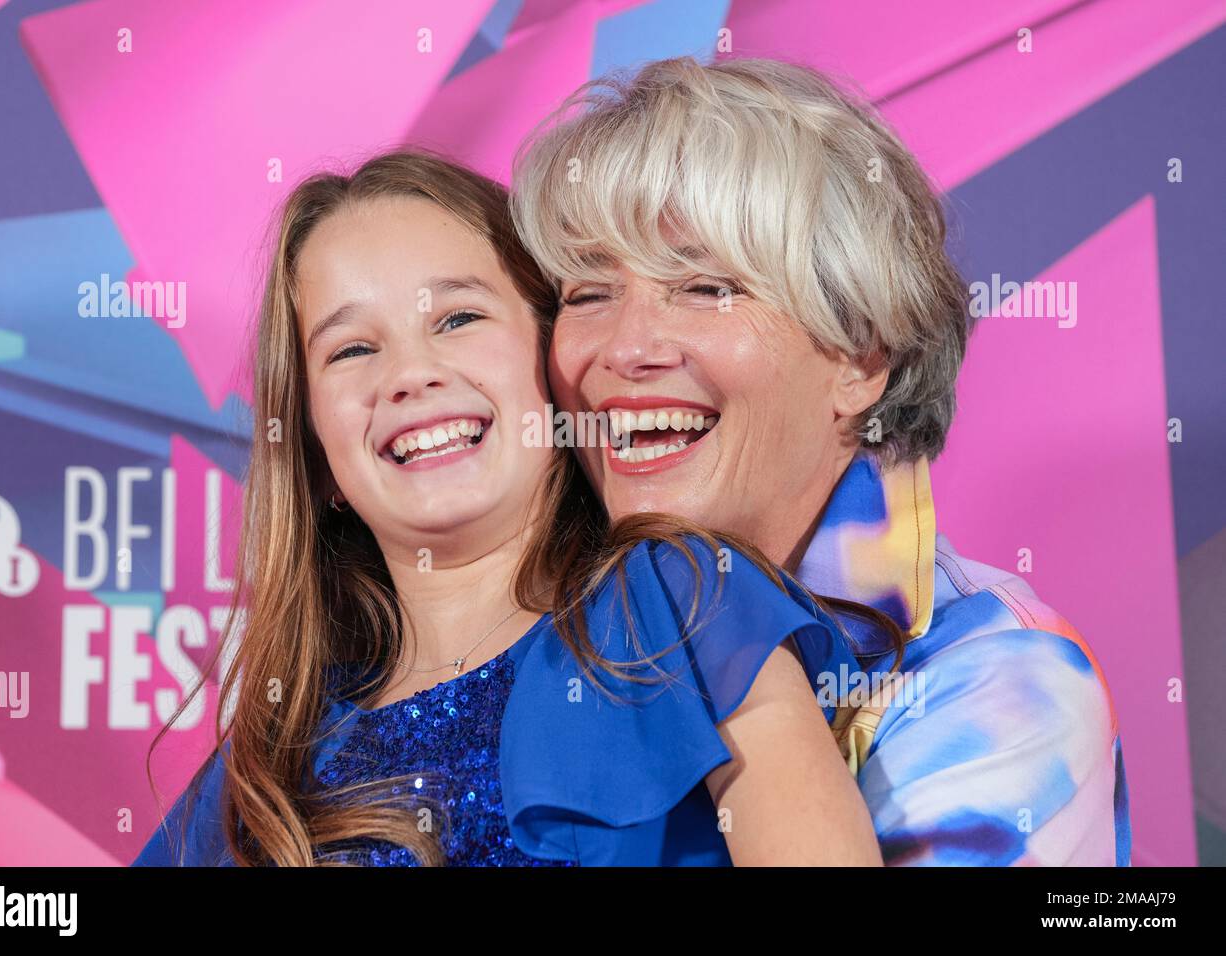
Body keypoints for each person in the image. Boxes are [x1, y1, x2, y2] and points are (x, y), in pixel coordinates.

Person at [132, 149, 883, 866]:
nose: (411, 374)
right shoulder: (274, 756)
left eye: (458, 319)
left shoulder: (678, 600)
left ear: (551, 365)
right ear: (315, 448)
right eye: (352, 350)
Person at [510, 56, 1132, 866]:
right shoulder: (531, 621)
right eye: (588, 294)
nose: (625, 349)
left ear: (860, 358)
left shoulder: (1003, 681)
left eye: (704, 288)